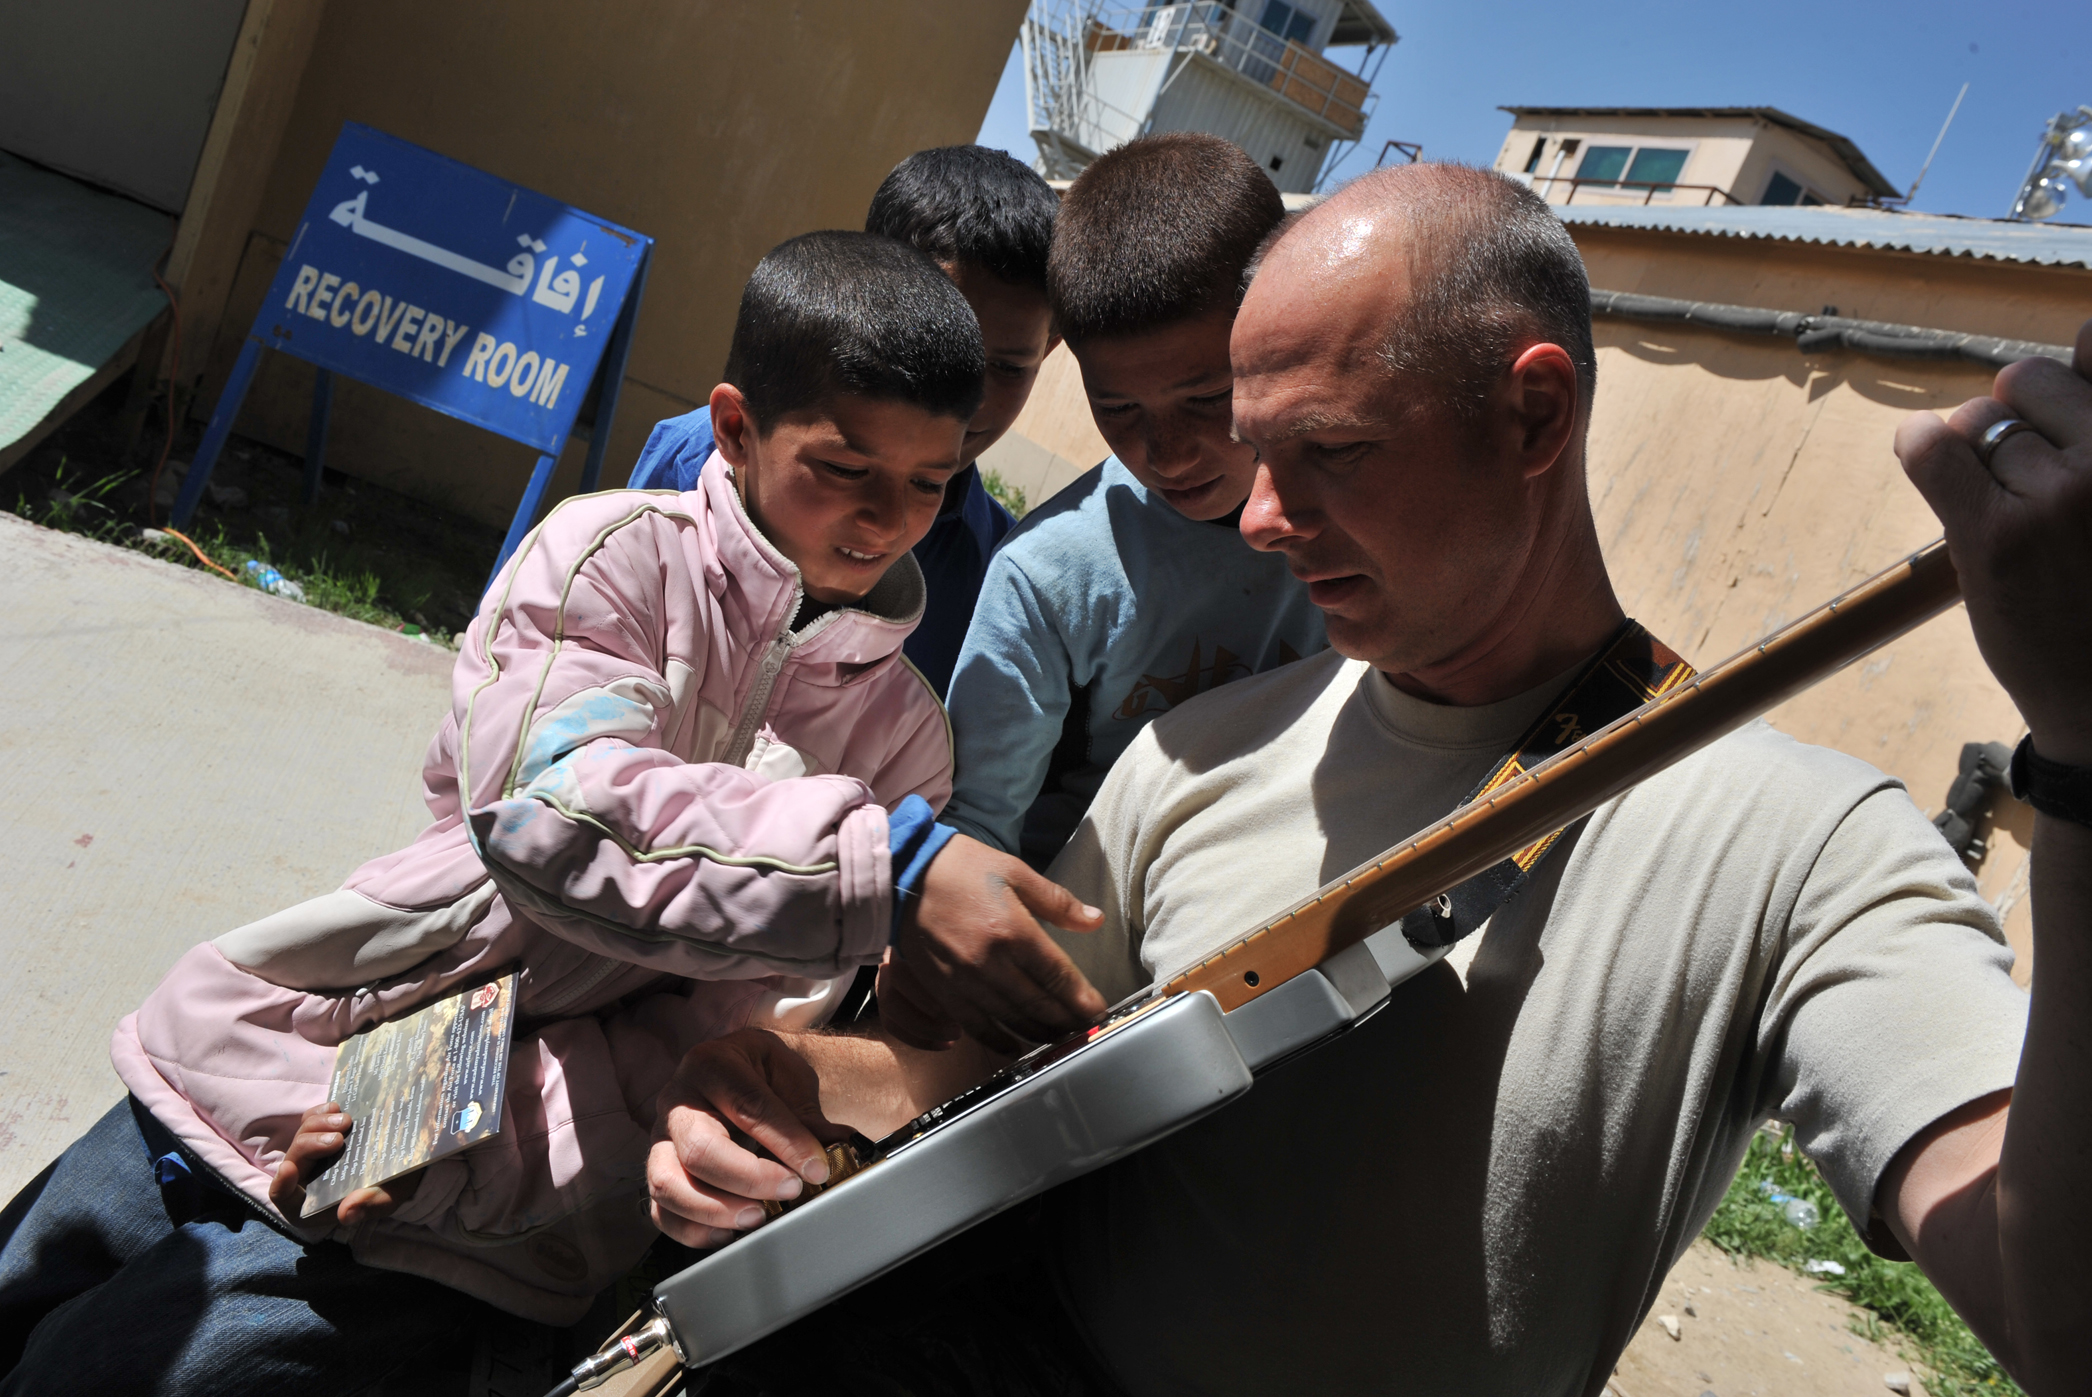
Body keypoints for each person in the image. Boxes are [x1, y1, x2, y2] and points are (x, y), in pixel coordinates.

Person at [647, 165, 2092, 1396]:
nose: (1262, 519)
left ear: (1535, 418)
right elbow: (966, 1072)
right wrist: (778, 1093)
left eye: (1326, 451)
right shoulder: (1190, 755)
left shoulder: (1803, 844)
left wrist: (2087, 746)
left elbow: (2059, 1320)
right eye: (1254, 452)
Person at [0, 230, 1103, 1395]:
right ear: (734, 427)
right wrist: (894, 861)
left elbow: (702, 1042)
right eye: (843, 467)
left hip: (472, 1206)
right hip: (275, 1049)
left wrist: (429, 1149)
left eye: (928, 482)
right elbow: (546, 815)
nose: (885, 518)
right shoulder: (610, 556)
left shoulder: (902, 743)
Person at [935, 133, 1329, 875]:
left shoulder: (1355, 522)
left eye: (1210, 398)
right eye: (1117, 408)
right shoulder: (1046, 575)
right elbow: (976, 834)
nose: (1169, 452)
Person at [627, 145, 1062, 697]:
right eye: (931, 346)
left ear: (1048, 350)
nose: (965, 395)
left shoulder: (999, 568)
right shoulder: (695, 456)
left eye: (1006, 366)